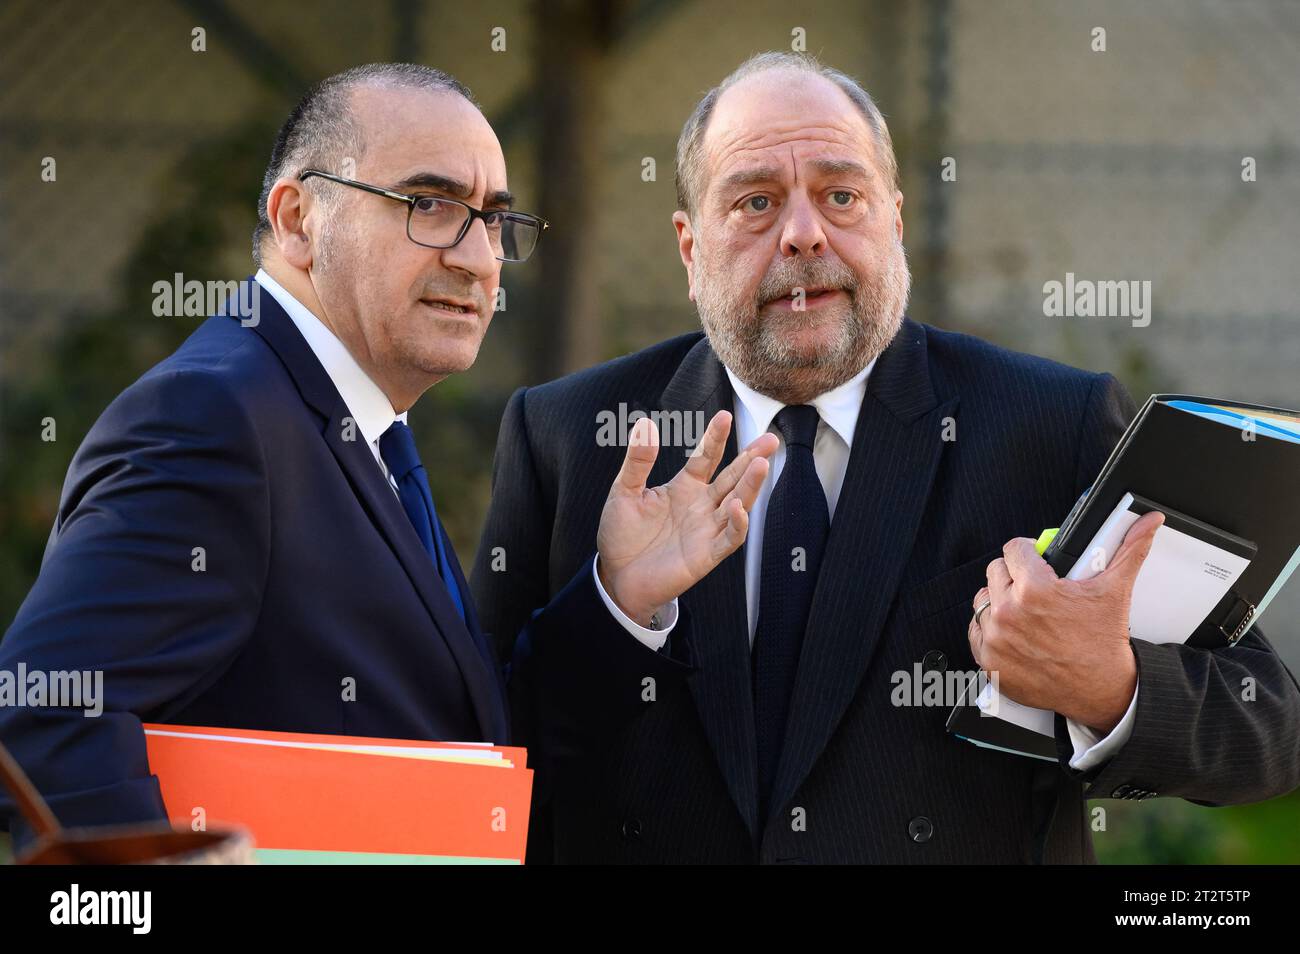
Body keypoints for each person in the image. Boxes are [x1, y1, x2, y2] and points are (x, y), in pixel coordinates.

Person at [472, 52, 1300, 863]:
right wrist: (616, 611)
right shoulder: (568, 437)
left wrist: (1109, 687)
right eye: (756, 202)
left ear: (894, 222)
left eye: (841, 195)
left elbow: (1270, 731)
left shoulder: (1055, 425)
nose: (802, 233)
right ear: (691, 250)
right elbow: (484, 753)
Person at [0, 63, 776, 850]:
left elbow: (460, 746)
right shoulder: (215, 418)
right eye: (430, 206)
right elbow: (48, 711)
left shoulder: (357, 427)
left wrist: (618, 597)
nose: (479, 259)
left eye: (496, 220)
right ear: (299, 219)